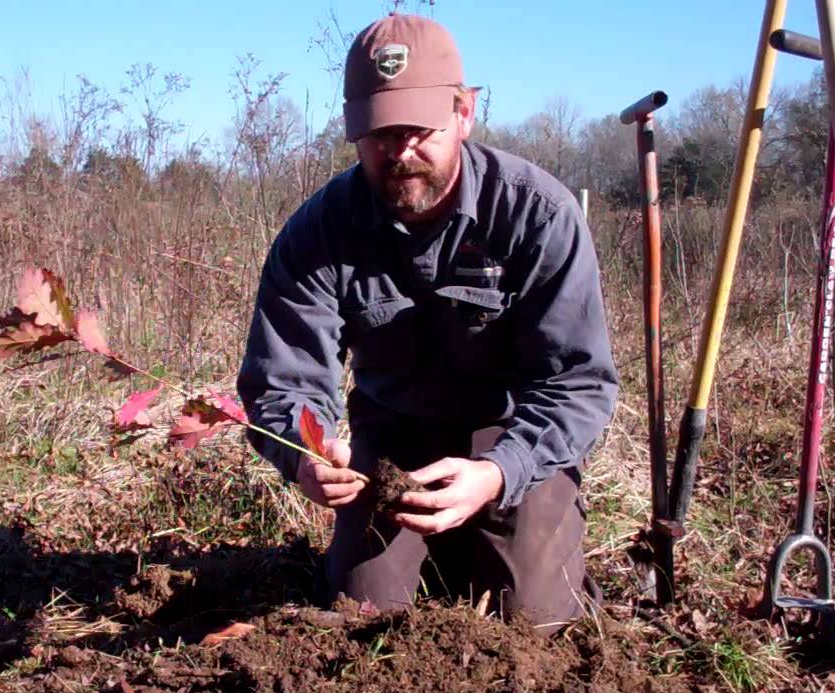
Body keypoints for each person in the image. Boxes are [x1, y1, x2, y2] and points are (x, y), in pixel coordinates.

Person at [235, 12, 618, 632]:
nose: (399, 153)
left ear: (464, 112)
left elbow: (579, 383)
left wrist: (499, 473)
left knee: (537, 623)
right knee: (362, 613)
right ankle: (406, 559)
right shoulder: (317, 233)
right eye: (379, 134)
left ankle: (516, 544)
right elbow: (282, 379)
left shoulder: (537, 216)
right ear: (353, 129)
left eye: (418, 129)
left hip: (511, 436)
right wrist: (307, 453)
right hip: (390, 443)